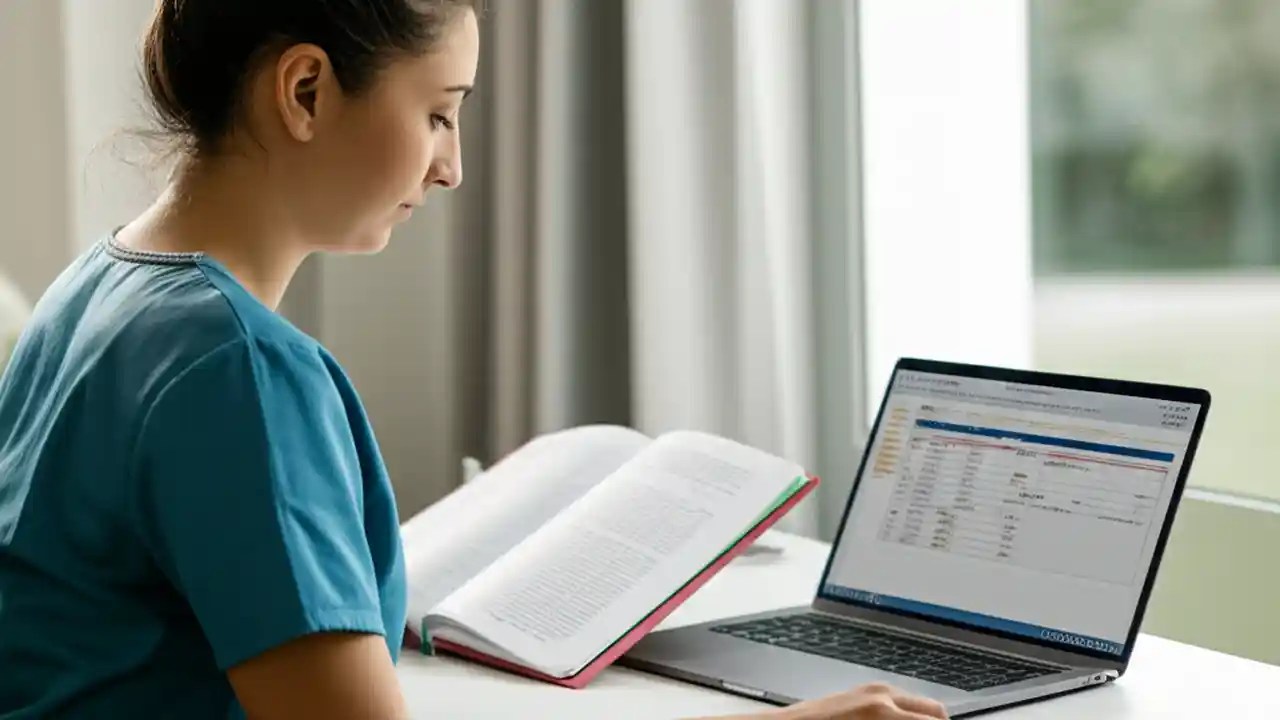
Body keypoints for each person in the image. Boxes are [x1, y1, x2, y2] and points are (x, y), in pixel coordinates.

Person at [0, 2, 947, 719]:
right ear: (305, 92)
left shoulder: (98, 286)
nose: (451, 167)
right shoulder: (236, 366)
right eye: (441, 114)